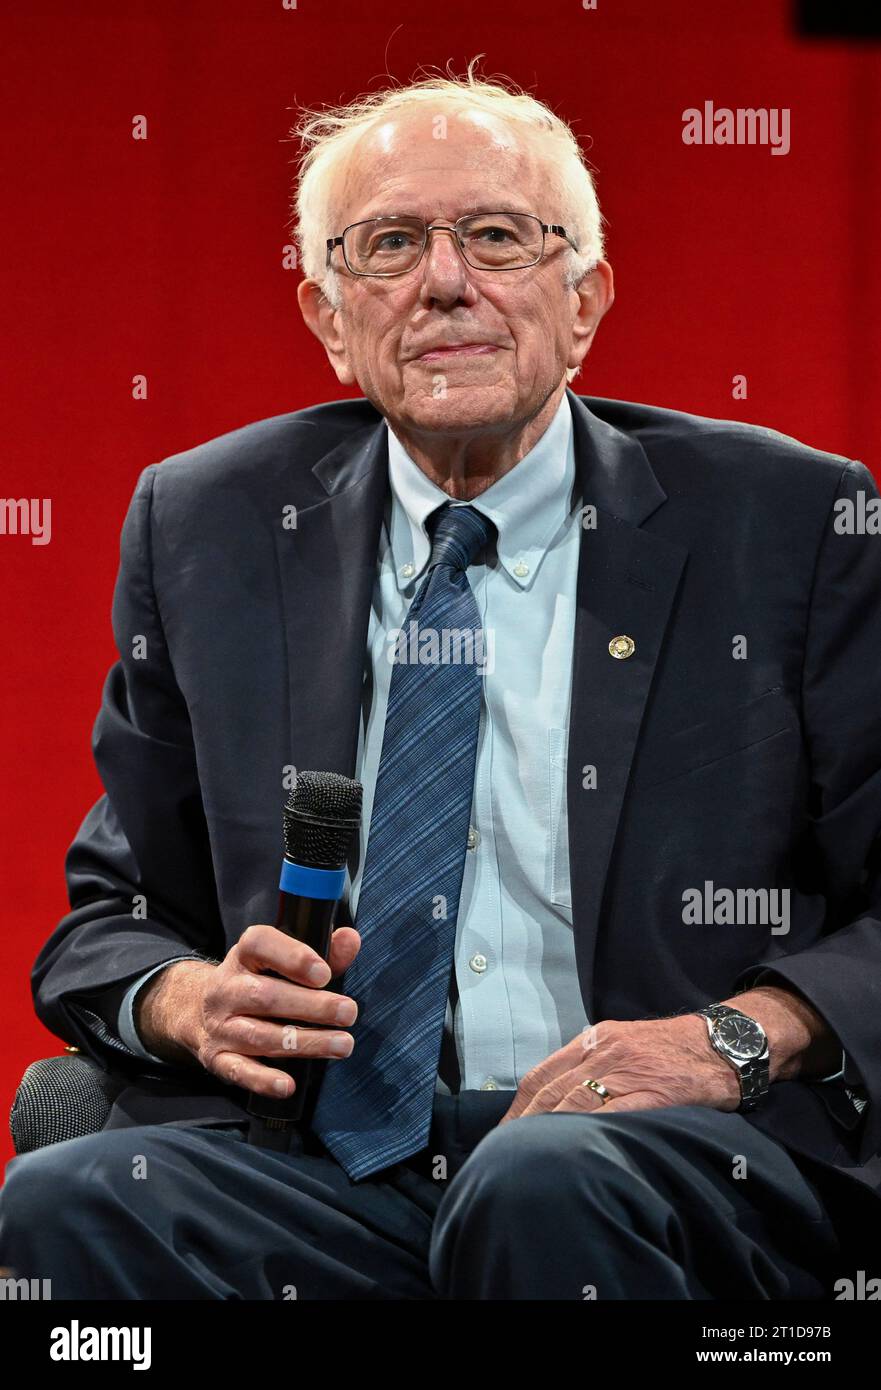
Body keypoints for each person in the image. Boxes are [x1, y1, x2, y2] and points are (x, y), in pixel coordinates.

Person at [2, 62, 881, 1300]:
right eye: (391, 244)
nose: (445, 282)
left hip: (674, 1158)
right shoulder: (210, 523)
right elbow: (110, 916)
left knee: (538, 1184)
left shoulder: (789, 526)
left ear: (585, 302)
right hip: (335, 1164)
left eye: (497, 237)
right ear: (325, 315)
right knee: (63, 1200)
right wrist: (187, 999)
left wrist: (737, 1035)